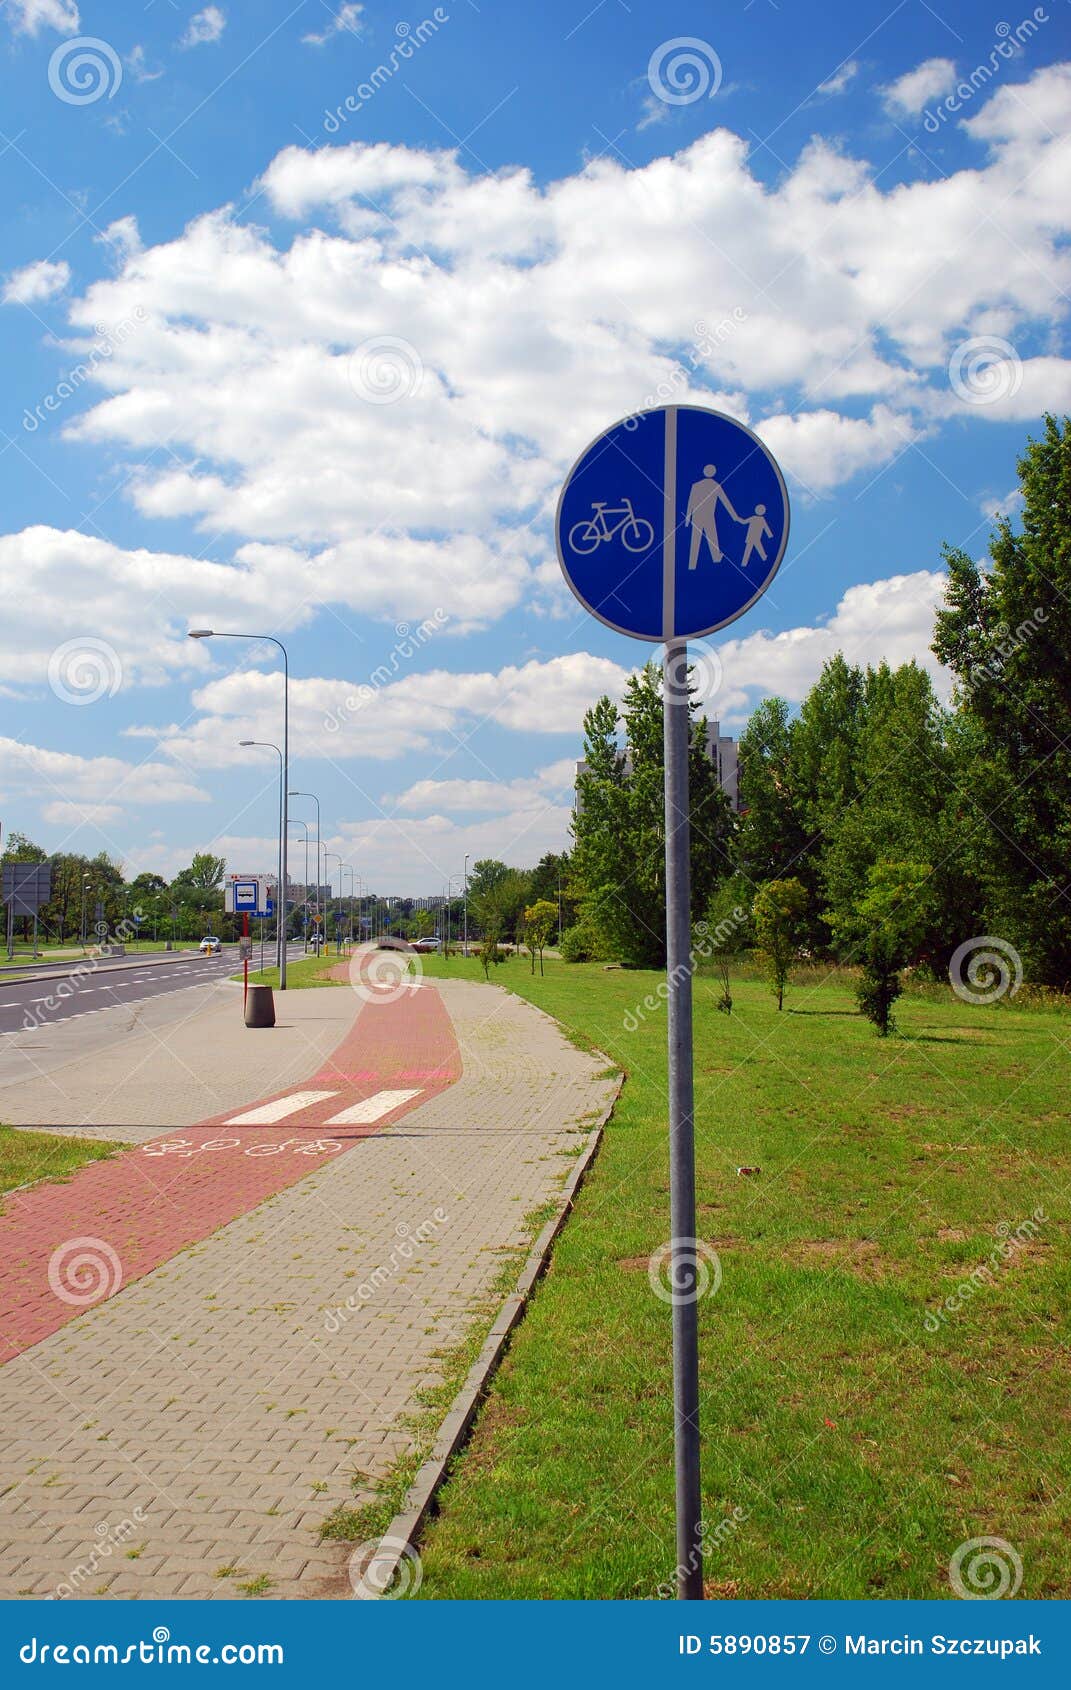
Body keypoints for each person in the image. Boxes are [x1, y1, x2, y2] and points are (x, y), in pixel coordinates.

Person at [686, 464, 742, 568]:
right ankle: (716, 558)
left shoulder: (696, 485)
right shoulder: (715, 485)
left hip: (697, 517)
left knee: (696, 540)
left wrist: (687, 519)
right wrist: (735, 517)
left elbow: (690, 503)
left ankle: (692, 563)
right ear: (713, 472)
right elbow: (726, 503)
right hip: (708, 517)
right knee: (712, 538)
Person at [741, 503, 773, 568]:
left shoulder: (756, 518)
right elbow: (766, 528)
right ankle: (763, 557)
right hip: (755, 537)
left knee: (750, 549)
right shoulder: (761, 519)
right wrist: (770, 535)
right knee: (754, 548)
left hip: (752, 537)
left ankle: (744, 562)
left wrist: (739, 519)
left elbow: (744, 522)